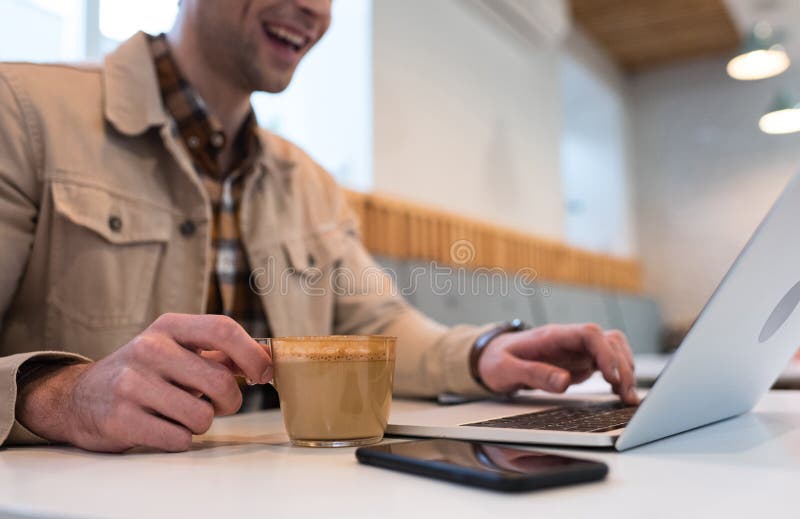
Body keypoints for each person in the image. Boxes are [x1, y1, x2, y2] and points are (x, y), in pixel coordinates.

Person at [0, 0, 638, 453]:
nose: (315, 7)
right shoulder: (23, 114)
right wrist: (64, 396)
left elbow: (376, 329)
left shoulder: (308, 181)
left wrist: (485, 352)